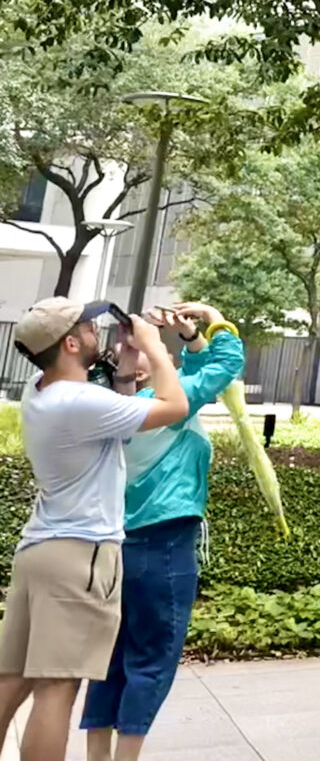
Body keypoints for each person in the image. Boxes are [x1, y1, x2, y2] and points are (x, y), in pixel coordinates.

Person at [0, 299, 188, 761]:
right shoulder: (80, 401)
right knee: (56, 688)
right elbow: (175, 405)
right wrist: (152, 347)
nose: (94, 331)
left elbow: (115, 423)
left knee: (11, 680)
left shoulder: (42, 390)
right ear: (69, 343)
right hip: (81, 556)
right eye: (86, 327)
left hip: (40, 553)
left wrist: (124, 371)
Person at [80, 301, 243, 761]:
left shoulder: (112, 408)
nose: (172, 358)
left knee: (111, 663)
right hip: (166, 547)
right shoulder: (167, 404)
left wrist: (182, 342)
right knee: (152, 661)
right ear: (152, 370)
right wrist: (212, 316)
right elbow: (226, 364)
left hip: (117, 548)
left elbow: (196, 373)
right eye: (163, 355)